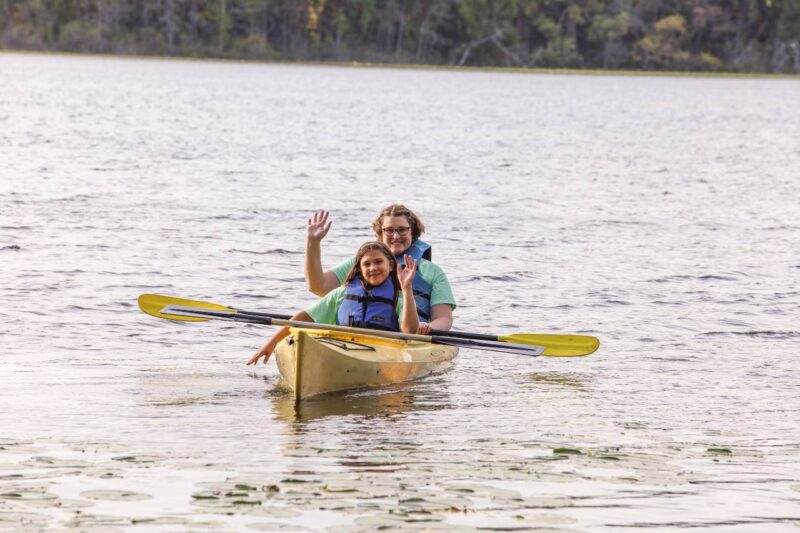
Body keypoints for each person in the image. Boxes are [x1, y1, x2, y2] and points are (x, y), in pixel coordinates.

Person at [247, 242, 419, 365]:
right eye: (366, 264)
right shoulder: (341, 294)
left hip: (383, 354)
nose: (372, 268)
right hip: (343, 349)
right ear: (359, 269)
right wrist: (271, 344)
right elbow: (302, 318)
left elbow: (409, 331)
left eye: (378, 262)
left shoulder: (399, 298)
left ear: (390, 265)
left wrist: (407, 287)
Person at [304, 204, 455, 334]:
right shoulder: (363, 263)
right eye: (389, 230)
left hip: (412, 338)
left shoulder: (433, 271)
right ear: (380, 233)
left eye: (402, 230)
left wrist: (427, 327)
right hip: (360, 335)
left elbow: (444, 318)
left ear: (413, 232)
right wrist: (313, 243)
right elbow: (318, 286)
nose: (395, 236)